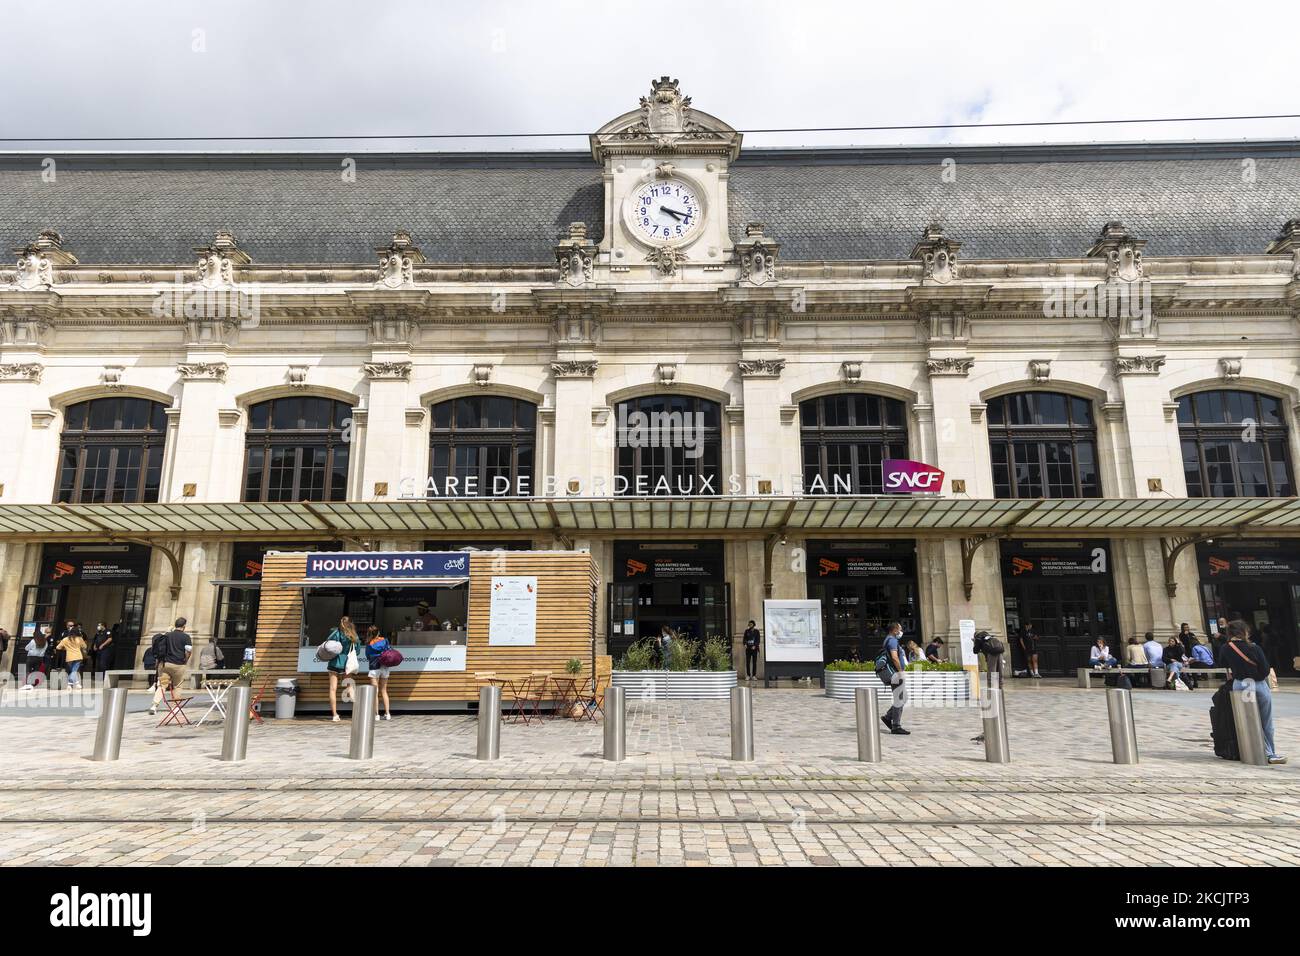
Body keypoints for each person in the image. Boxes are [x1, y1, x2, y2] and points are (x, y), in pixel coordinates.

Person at [1220, 618, 1286, 764]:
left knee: (1245, 719)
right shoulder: (1254, 648)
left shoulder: (1226, 647)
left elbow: (1222, 663)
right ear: (1244, 631)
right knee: (1265, 720)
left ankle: (1247, 750)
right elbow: (1265, 669)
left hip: (1239, 685)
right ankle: (1269, 753)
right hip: (1258, 684)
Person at [149, 618, 194, 716]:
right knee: (177, 685)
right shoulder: (186, 637)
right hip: (179, 665)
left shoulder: (167, 635)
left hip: (166, 664)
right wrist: (185, 660)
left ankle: (154, 705)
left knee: (162, 685)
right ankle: (174, 707)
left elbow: (161, 649)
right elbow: (189, 651)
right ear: (184, 626)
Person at [874, 622, 909, 735]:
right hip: (895, 673)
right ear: (894, 630)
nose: (901, 631)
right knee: (900, 698)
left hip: (893, 673)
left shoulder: (889, 639)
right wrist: (900, 672)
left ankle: (888, 717)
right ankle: (896, 726)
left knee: (902, 698)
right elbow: (894, 657)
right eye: (900, 629)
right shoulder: (892, 640)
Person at [326, 616, 362, 722]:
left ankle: (335, 715)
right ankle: (357, 713)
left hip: (334, 663)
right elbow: (358, 652)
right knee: (350, 687)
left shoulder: (336, 633)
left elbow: (329, 646)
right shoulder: (354, 636)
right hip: (347, 664)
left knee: (333, 689)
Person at [363, 624, 394, 721]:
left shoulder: (369, 644)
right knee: (384, 690)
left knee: (375, 692)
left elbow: (367, 656)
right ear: (378, 632)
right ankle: (387, 713)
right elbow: (389, 651)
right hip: (384, 667)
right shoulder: (384, 640)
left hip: (374, 667)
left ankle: (377, 715)